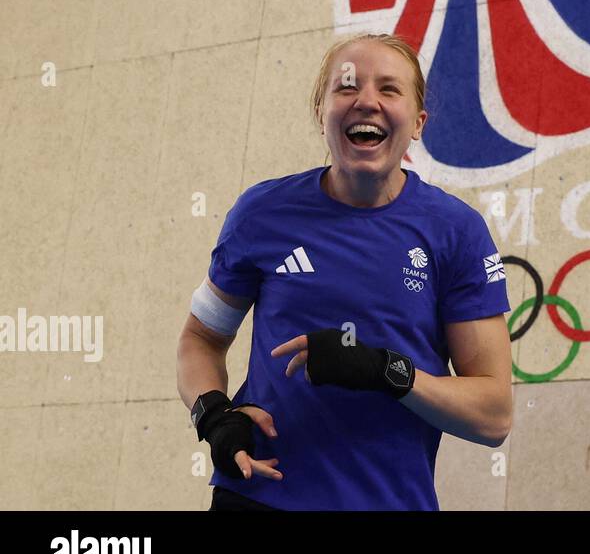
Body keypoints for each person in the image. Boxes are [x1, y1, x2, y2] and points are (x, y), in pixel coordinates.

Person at [175, 32, 513, 510]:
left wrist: (384, 371)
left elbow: (494, 416)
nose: (367, 101)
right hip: (259, 499)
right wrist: (212, 413)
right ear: (321, 113)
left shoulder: (455, 231)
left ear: (418, 123)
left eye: (389, 89)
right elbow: (200, 339)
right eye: (347, 86)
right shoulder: (261, 214)